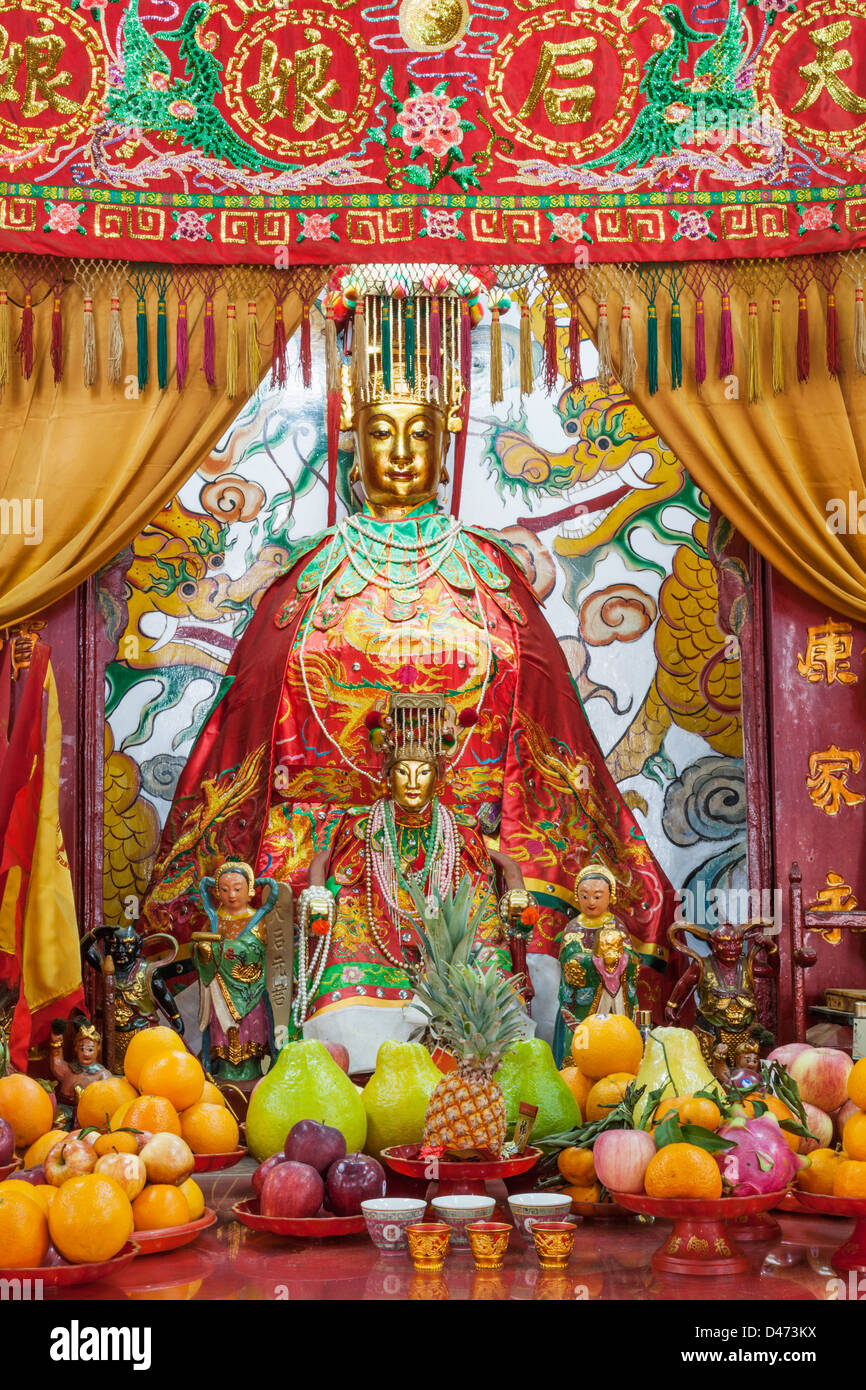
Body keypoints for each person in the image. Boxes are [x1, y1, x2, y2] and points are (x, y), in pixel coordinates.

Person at [141, 273, 672, 1042]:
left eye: (418, 434)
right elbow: (250, 720)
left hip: (469, 853)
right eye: (380, 433)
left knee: (489, 1025)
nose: (398, 453)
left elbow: (549, 723)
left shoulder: (489, 578)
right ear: (355, 446)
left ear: (443, 446)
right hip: (334, 857)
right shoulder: (312, 577)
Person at [293, 692, 535, 1071]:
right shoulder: (362, 826)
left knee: (490, 974)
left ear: (437, 779)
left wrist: (515, 893)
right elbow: (334, 873)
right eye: (402, 772)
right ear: (387, 776)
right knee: (341, 977)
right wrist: (319, 894)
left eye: (422, 773)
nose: (412, 782)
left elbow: (482, 892)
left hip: (451, 953)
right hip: (375, 940)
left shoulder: (459, 830)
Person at [192, 859, 278, 1080]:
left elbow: (255, 948)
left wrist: (224, 948)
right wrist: (203, 951)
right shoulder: (214, 919)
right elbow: (201, 947)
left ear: (249, 891)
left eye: (237, 889)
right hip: (220, 989)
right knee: (221, 1029)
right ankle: (223, 1070)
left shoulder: (257, 920)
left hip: (249, 988)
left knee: (251, 1026)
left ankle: (251, 1070)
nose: (231, 895)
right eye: (225, 890)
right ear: (217, 892)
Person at [553, 864, 641, 1066]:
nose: (591, 902)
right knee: (580, 1043)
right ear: (577, 897)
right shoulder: (573, 927)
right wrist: (595, 961)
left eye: (598, 896)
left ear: (610, 897)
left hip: (614, 1002)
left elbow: (632, 958)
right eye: (585, 896)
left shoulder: (617, 926)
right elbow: (569, 958)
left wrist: (621, 960)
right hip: (582, 1004)